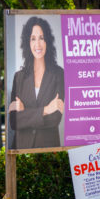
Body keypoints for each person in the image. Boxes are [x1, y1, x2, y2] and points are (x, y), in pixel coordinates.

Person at [8, 17, 66, 149]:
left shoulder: (58, 74)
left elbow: (55, 119)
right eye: (33, 38)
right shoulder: (19, 77)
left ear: (48, 41)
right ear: (27, 43)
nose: (38, 44)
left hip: (48, 150)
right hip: (22, 149)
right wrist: (46, 110)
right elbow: (14, 122)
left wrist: (25, 113)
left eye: (41, 38)